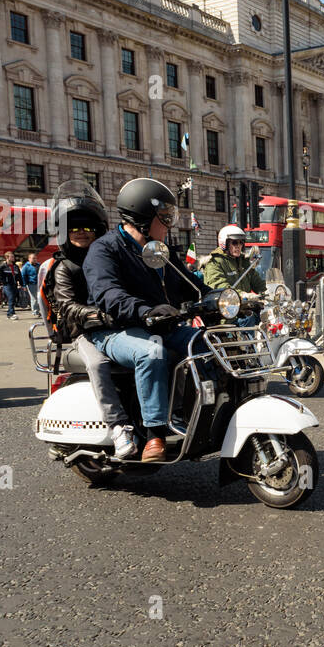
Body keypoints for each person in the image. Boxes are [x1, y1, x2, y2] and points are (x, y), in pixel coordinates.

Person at [84, 177, 205, 463]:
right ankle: (155, 434)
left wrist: (223, 297)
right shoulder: (105, 249)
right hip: (113, 329)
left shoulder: (159, 249)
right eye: (164, 218)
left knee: (205, 342)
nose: (169, 224)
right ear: (141, 219)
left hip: (157, 324)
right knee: (152, 353)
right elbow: (108, 294)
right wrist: (144, 311)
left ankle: (202, 411)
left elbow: (189, 284)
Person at [44, 182, 137, 460]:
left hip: (113, 327)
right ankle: (118, 426)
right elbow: (67, 306)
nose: (82, 233)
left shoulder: (109, 259)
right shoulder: (64, 267)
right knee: (98, 363)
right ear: (64, 233)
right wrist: (97, 314)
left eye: (87, 228)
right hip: (81, 333)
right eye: (74, 228)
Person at [201, 224, 265, 326]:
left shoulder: (244, 262)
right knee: (249, 319)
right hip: (226, 315)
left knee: (266, 317)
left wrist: (271, 292)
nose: (238, 246)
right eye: (234, 242)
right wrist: (243, 294)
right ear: (224, 243)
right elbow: (219, 285)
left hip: (245, 309)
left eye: (241, 242)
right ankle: (248, 343)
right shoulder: (214, 263)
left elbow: (257, 282)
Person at [0, 252, 24, 319]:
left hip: (14, 284)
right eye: (11, 257)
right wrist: (3, 282)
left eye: (13, 257)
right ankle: (12, 313)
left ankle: (9, 313)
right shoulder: (2, 266)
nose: (13, 258)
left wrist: (21, 284)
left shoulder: (15, 266)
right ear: (7, 257)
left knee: (13, 299)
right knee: (11, 297)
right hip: (7, 285)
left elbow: (19, 276)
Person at [21, 252, 41, 317]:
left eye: (35, 258)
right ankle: (35, 312)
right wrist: (24, 285)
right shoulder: (26, 266)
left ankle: (39, 310)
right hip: (31, 284)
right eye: (33, 258)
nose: (35, 259)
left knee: (40, 298)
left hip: (39, 283)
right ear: (29, 259)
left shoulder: (39, 265)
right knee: (34, 298)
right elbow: (23, 276)